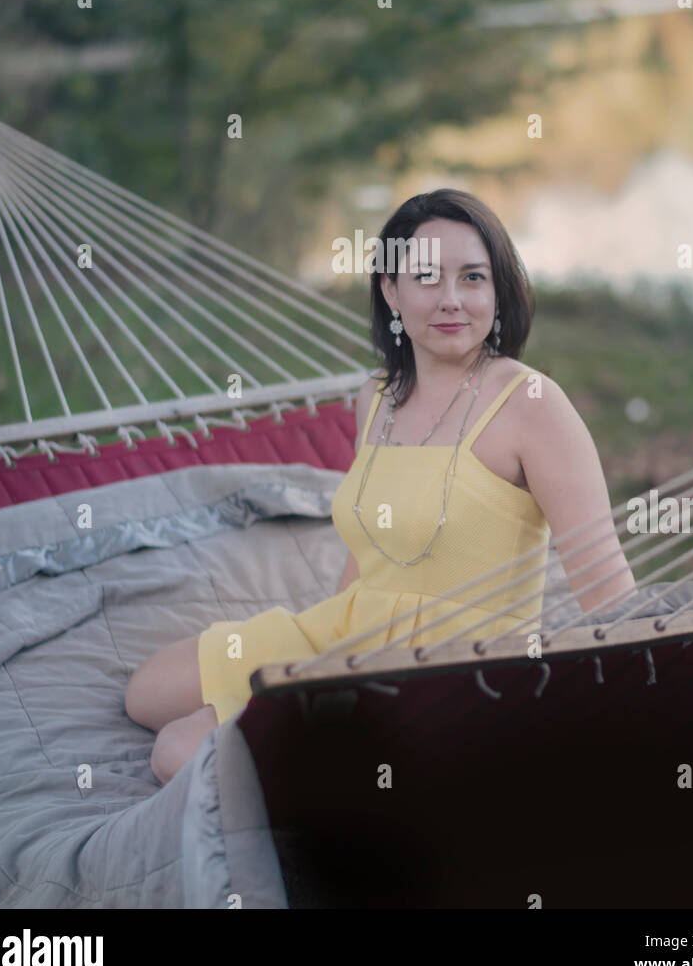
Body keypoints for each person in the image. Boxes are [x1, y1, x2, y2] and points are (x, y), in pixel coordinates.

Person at [125, 188, 636, 783]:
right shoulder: (377, 397)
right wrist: (319, 655)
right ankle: (301, 726)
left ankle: (339, 765)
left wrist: (629, 716)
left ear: (497, 292)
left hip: (455, 669)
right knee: (147, 692)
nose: (451, 300)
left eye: (473, 277)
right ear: (391, 291)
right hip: (355, 630)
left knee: (179, 750)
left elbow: (607, 585)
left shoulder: (531, 403)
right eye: (426, 277)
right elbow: (372, 544)